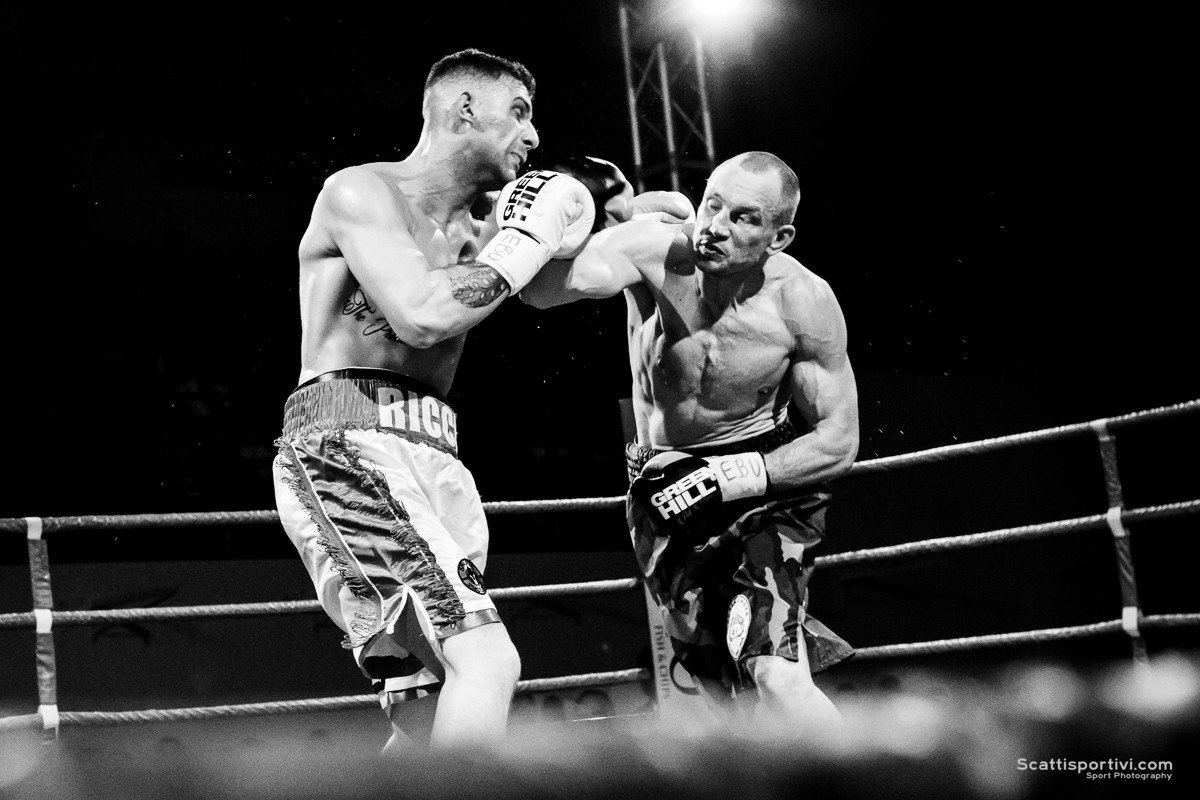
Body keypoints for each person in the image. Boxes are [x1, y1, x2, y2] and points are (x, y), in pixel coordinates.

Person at [271, 48, 613, 749]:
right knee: (488, 660)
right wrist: (525, 237)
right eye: (518, 113)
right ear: (464, 109)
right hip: (347, 440)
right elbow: (422, 314)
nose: (534, 135)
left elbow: (556, 282)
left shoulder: (487, 228)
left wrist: (660, 226)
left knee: (430, 713)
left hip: (435, 456)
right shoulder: (360, 192)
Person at [521, 151, 860, 735]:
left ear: (779, 236)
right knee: (713, 684)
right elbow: (542, 293)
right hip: (661, 480)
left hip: (764, 488)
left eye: (744, 218)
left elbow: (838, 438)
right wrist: (535, 227)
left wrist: (728, 479)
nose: (716, 226)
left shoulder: (802, 299)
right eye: (713, 204)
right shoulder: (656, 249)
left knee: (776, 670)